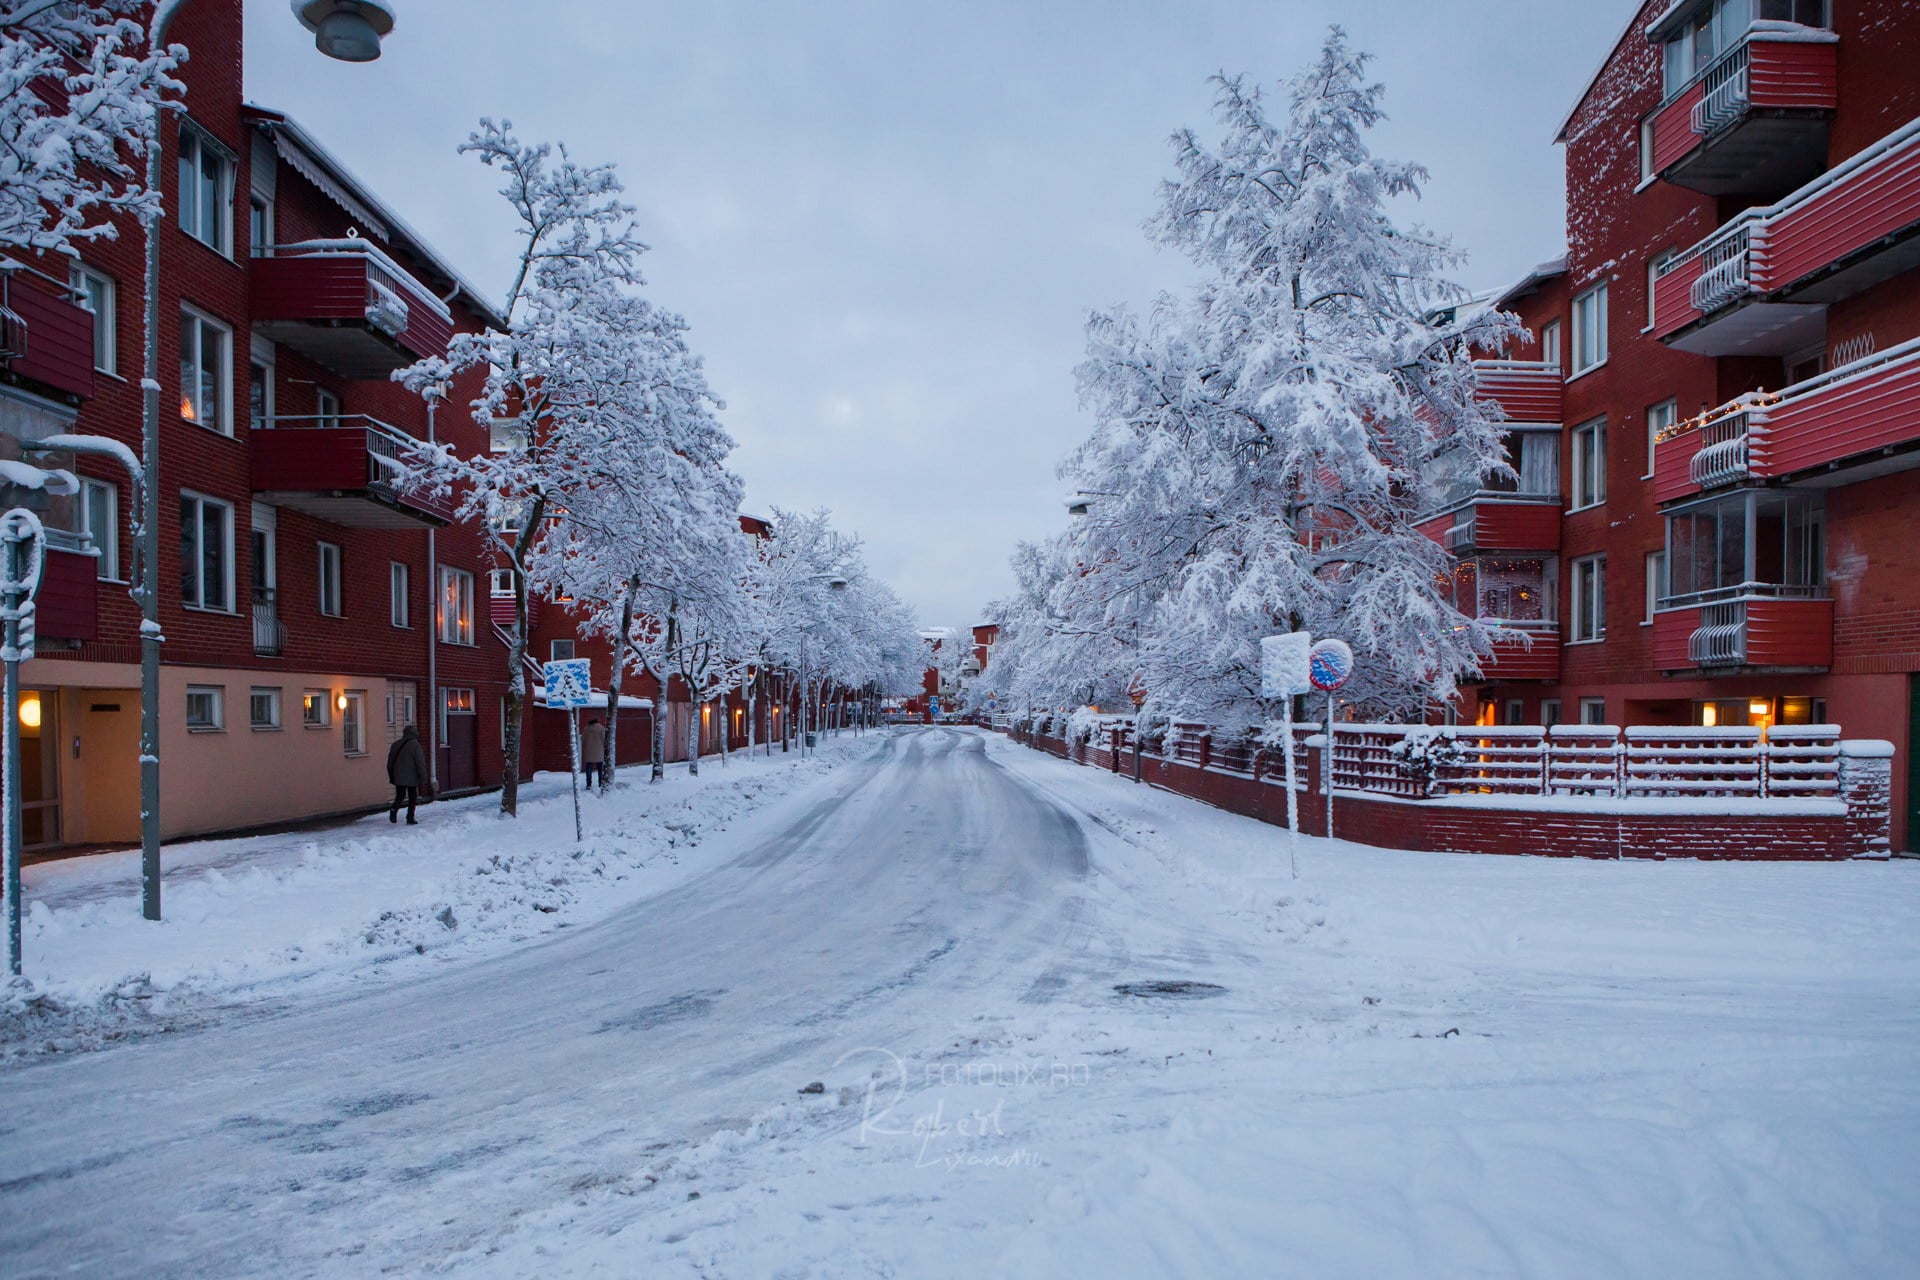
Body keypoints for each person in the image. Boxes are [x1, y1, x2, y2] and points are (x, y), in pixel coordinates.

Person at [386, 723, 429, 824]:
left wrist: (391, 775)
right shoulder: (415, 745)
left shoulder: (395, 744)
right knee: (412, 797)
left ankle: (394, 809)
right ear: (414, 734)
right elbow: (420, 763)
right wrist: (423, 777)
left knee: (400, 795)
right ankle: (410, 817)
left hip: (398, 776)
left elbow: (390, 762)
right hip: (412, 777)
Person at [581, 715, 607, 790]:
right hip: (599, 751)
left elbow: (583, 740)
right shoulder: (601, 728)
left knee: (589, 769)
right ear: (597, 721)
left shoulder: (586, 729)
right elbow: (605, 740)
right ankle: (600, 784)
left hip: (589, 752)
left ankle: (589, 785)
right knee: (600, 769)